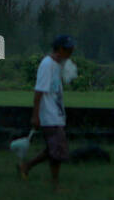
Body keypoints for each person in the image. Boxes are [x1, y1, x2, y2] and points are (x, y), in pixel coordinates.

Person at [18, 34, 75, 189]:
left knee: (53, 150)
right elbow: (38, 93)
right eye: (69, 50)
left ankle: (27, 166)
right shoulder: (47, 65)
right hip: (48, 116)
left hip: (56, 114)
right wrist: (35, 116)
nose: (71, 53)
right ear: (60, 49)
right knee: (57, 151)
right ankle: (54, 183)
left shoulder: (57, 65)